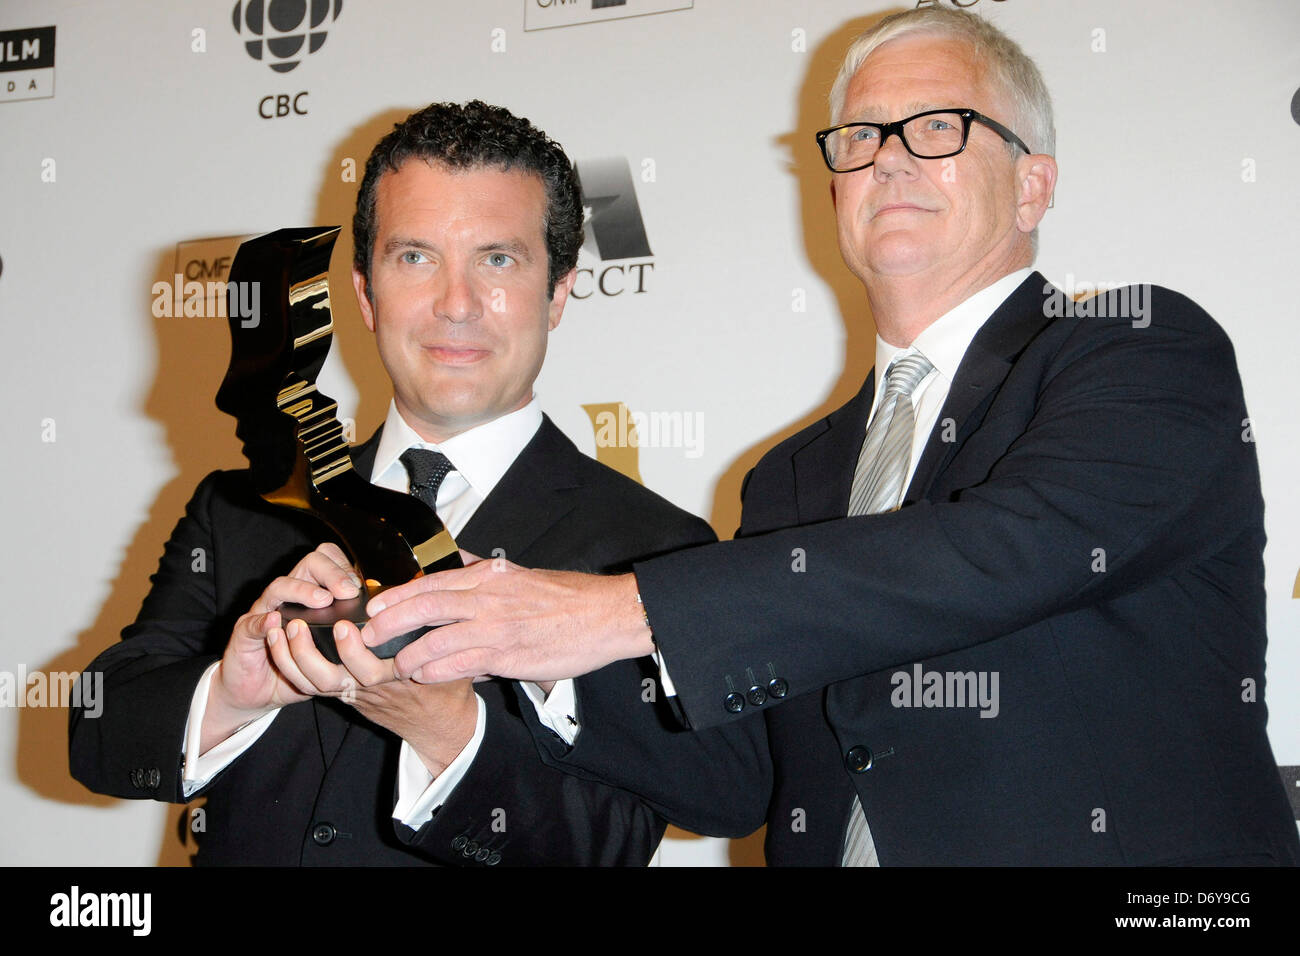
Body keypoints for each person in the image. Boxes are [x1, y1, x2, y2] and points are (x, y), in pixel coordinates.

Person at [360, 10, 1300, 865]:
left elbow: (1009, 549)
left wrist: (613, 611)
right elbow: (736, 774)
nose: (888, 159)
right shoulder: (791, 479)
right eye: (860, 138)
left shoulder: (1140, 350)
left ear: (1032, 186)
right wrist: (465, 653)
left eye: (938, 128)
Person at [68, 100, 768, 866]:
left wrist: (449, 735)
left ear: (559, 292)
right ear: (365, 295)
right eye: (416, 258)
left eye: (497, 260)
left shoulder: (652, 553)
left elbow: (711, 801)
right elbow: (99, 736)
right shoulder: (240, 512)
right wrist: (233, 693)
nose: (456, 304)